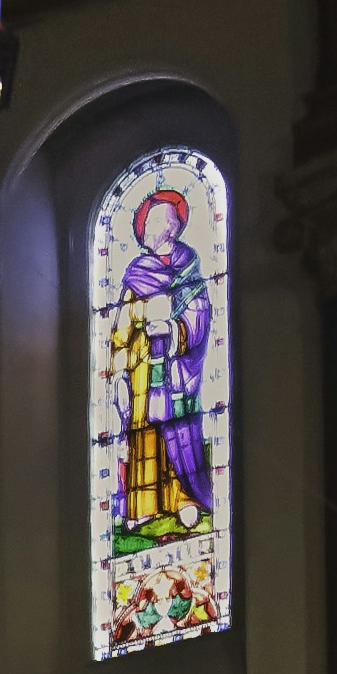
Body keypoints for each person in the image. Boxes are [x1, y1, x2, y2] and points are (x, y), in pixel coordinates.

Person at [107, 187, 213, 561]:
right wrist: (135, 327)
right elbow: (120, 326)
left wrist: (172, 329)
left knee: (176, 426)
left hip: (176, 370)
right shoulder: (136, 274)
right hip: (141, 371)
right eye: (145, 224)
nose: (146, 231)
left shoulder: (189, 269)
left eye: (153, 223)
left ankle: (183, 499)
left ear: (171, 227)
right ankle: (142, 508)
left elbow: (200, 316)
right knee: (143, 432)